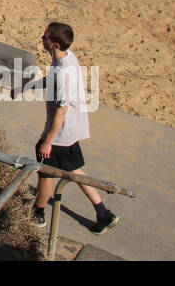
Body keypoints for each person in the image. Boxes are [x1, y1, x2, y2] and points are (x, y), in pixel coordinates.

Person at [31, 21, 118, 234]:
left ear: (55, 45)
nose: (42, 39)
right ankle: (103, 214)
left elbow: (61, 112)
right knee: (74, 170)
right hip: (72, 131)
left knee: (45, 174)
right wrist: (25, 87)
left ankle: (38, 213)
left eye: (46, 37)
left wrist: (48, 141)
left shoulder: (62, 74)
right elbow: (50, 81)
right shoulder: (68, 58)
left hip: (60, 135)